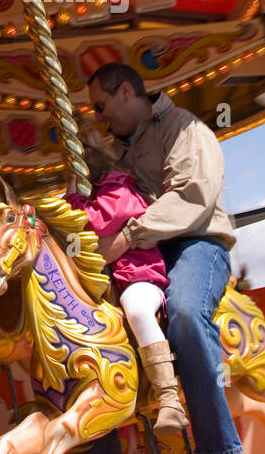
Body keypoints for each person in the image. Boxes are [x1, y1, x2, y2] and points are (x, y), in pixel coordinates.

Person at [55, 62, 241, 454]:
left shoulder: (186, 129)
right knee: (86, 344)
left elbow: (193, 198)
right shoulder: (126, 145)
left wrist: (132, 233)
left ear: (124, 91)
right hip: (145, 254)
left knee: (183, 312)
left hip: (196, 242)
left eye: (100, 105)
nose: (100, 115)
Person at [66, 134, 187, 434]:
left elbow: (91, 225)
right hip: (117, 280)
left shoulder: (119, 189)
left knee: (136, 310)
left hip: (141, 275)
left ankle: (169, 398)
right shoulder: (101, 194)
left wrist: (73, 196)